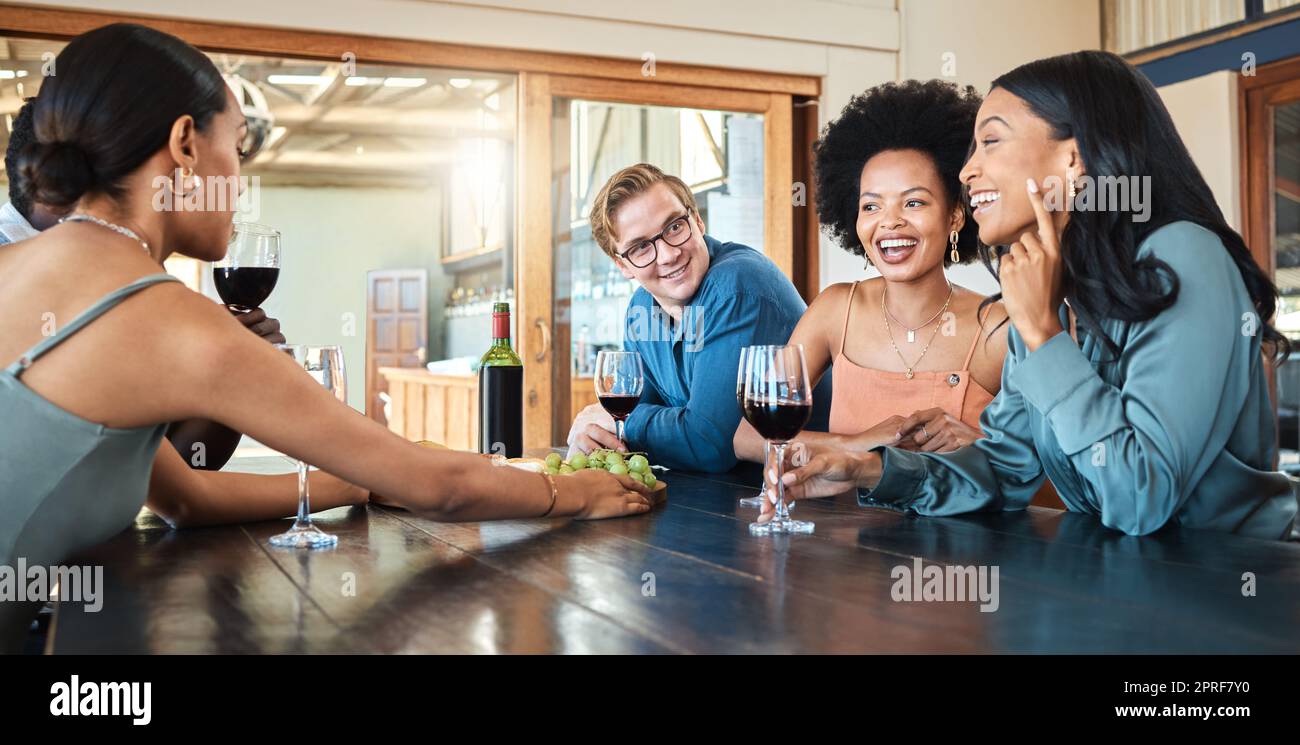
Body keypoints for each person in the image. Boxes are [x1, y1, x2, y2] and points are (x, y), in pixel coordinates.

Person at [1, 23, 652, 651]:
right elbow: (441, 487)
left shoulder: (28, 269)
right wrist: (573, 491)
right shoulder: (163, 313)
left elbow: (185, 496)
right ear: (185, 145)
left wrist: (358, 482)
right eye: (239, 147)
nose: (242, 180)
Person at [776, 51, 1296, 540]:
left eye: (991, 141)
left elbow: (1142, 496)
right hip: (1117, 590)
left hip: (1223, 595)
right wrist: (867, 468)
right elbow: (1003, 468)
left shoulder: (1184, 256)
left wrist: (1043, 335)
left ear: (1073, 159)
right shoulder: (1052, 285)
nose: (965, 171)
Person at [734, 80, 1008, 465]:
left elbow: (1053, 470)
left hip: (956, 527)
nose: (890, 223)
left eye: (913, 202)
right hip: (844, 525)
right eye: (871, 206)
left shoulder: (997, 327)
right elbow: (748, 438)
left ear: (955, 215)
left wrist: (977, 444)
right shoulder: (836, 310)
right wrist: (860, 444)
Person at [4, 98, 284, 472]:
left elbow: (174, 468)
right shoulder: (40, 286)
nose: (239, 189)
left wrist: (231, 364)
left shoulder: (125, 277)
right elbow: (183, 491)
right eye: (234, 149)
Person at [565, 163, 831, 472]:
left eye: (675, 227)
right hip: (719, 499)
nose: (667, 255)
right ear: (623, 266)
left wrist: (615, 420)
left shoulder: (736, 287)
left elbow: (708, 443)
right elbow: (635, 438)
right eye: (640, 248)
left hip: (807, 494)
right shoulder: (643, 309)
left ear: (697, 220)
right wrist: (601, 434)